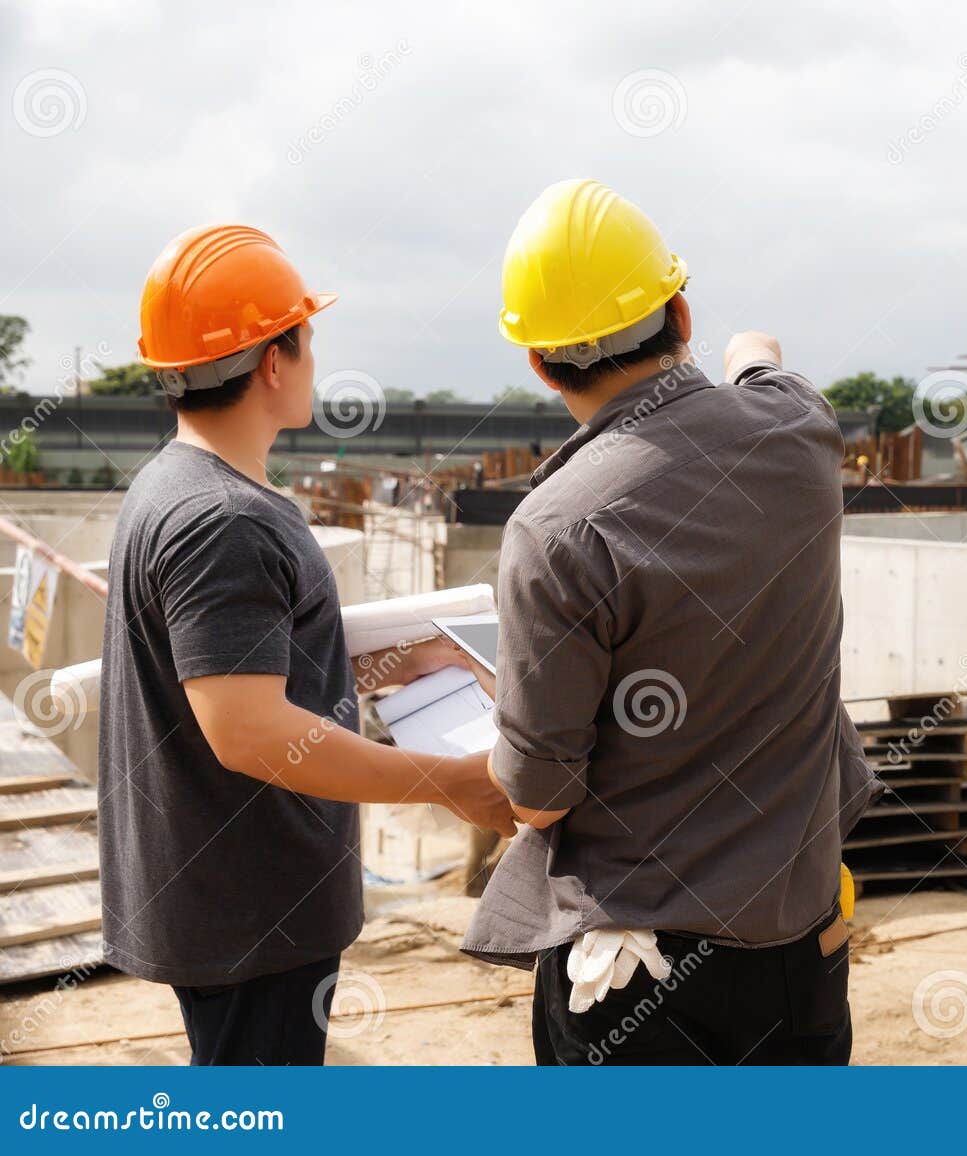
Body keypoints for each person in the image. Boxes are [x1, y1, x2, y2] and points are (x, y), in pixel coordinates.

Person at [460, 179, 883, 1065]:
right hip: (801, 955)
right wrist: (748, 352)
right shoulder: (799, 429)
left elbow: (538, 795)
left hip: (640, 983)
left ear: (540, 364)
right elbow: (761, 356)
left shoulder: (555, 527)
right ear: (680, 313)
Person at [100, 225, 515, 1066]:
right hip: (253, 913)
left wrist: (399, 661)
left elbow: (245, 671)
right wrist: (450, 783)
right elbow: (249, 731)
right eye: (306, 338)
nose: (314, 360)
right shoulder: (225, 520)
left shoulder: (177, 486)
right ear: (272, 361)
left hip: (231, 902)